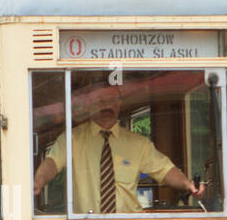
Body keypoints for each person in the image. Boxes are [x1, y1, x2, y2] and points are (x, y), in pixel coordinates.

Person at [32, 84, 204, 213]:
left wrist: (187, 184)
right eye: (100, 101)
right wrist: (39, 180)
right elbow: (52, 163)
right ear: (89, 106)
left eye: (112, 100)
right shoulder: (72, 139)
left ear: (120, 104)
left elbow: (165, 170)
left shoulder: (139, 144)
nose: (107, 106)